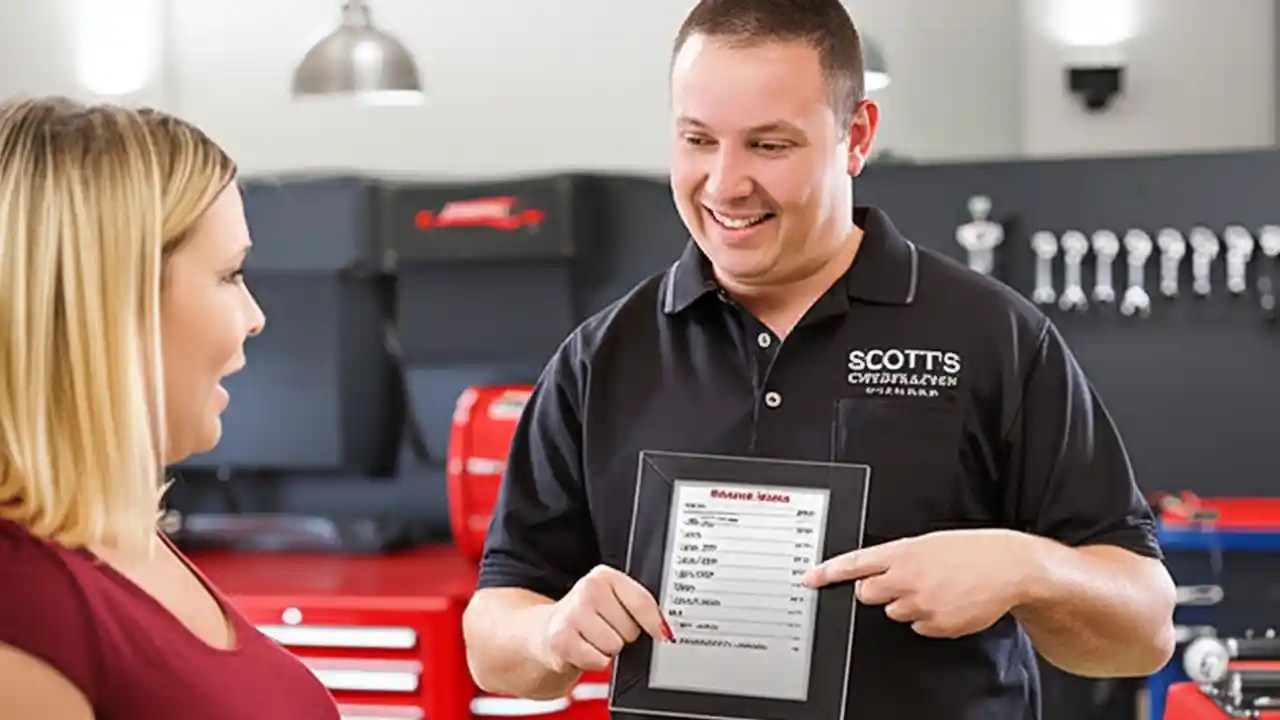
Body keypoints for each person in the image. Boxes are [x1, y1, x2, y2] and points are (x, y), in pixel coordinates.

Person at [461, 0, 1177, 717]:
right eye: (698, 140)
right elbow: (495, 637)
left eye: (769, 146)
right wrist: (548, 631)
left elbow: (1142, 632)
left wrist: (1029, 568)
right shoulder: (600, 360)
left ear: (856, 135)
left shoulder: (994, 337)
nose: (725, 183)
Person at [0, 97, 341, 719]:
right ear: (111, 304)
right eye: (230, 275)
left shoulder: (122, 540)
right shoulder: (24, 607)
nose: (255, 318)